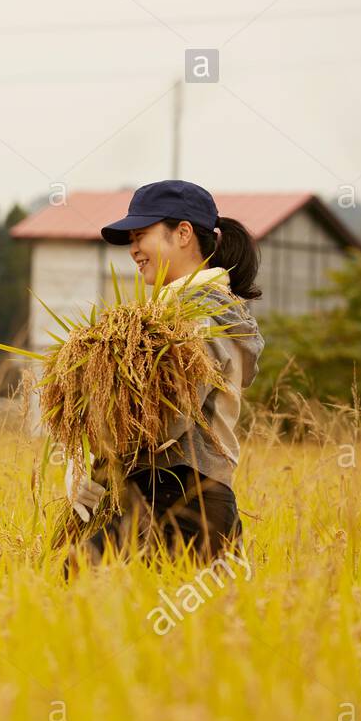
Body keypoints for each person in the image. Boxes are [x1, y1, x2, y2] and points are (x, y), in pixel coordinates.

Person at [62, 179, 264, 570]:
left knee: (82, 575)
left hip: (183, 497)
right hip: (170, 496)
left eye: (142, 235)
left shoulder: (203, 315)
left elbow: (172, 413)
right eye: (130, 239)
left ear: (183, 233)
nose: (134, 249)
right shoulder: (182, 313)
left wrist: (105, 450)